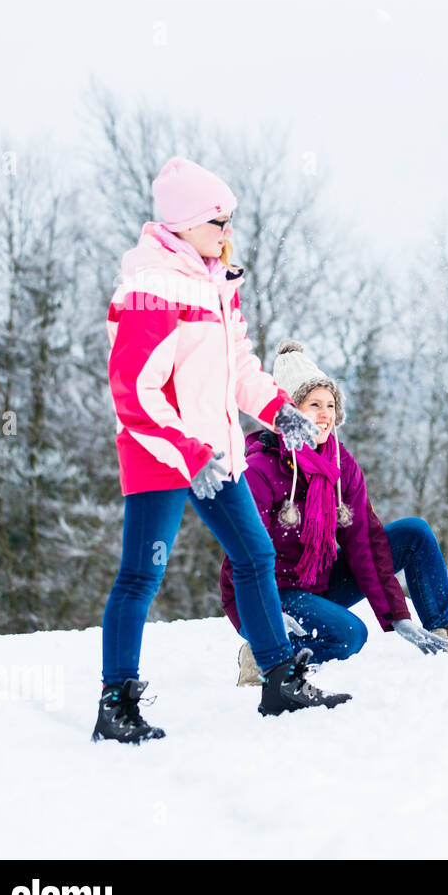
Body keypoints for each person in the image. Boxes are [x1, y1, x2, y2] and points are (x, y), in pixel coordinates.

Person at [97, 157, 351, 743]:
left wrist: (278, 410)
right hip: (161, 452)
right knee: (140, 575)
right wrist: (188, 454)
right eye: (218, 221)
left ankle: (280, 679)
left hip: (218, 452)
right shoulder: (148, 286)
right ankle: (117, 703)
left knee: (256, 558)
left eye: (229, 220)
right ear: (185, 222)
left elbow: (239, 366)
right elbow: (134, 391)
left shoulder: (215, 282)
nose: (226, 232)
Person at [220, 340, 448, 682]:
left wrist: (398, 615)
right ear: (289, 411)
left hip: (319, 579)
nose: (325, 415)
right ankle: (266, 655)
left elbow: (364, 542)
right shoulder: (260, 468)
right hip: (272, 591)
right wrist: (265, 615)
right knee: (350, 635)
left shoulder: (339, 463)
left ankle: (441, 632)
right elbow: (240, 553)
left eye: (331, 405)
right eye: (314, 404)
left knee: (414, 534)